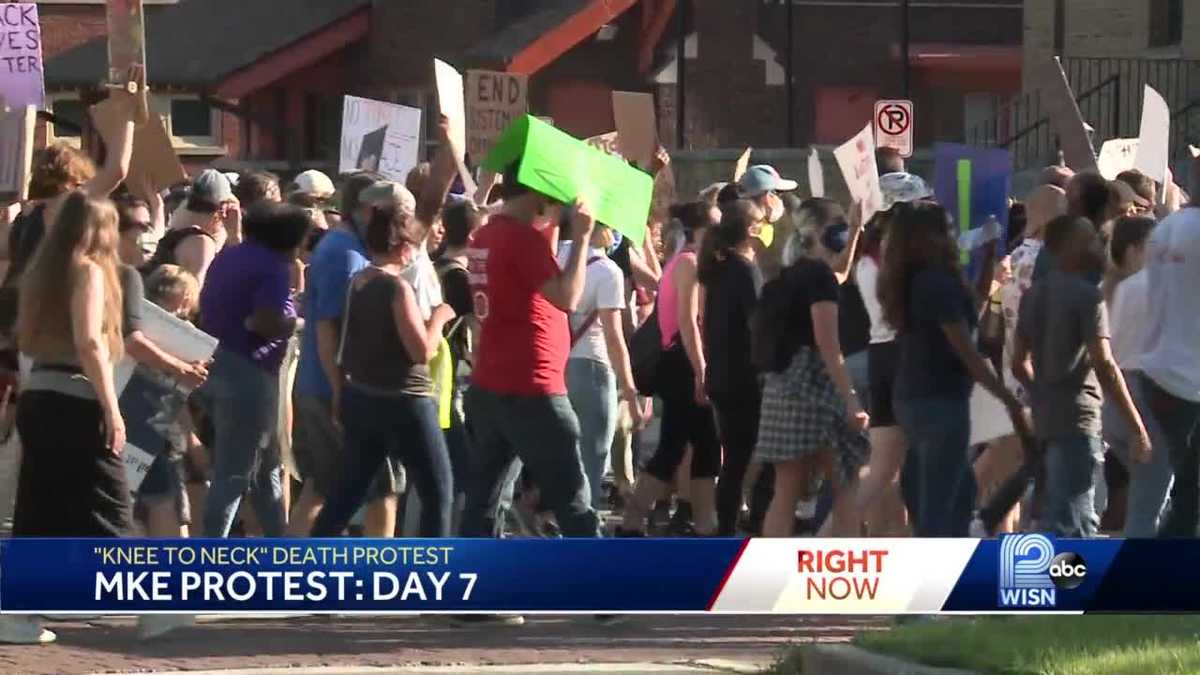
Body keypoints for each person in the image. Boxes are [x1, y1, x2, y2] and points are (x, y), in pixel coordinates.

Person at [461, 155, 604, 542]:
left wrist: (555, 223)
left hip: (491, 383)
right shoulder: (521, 240)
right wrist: (584, 236)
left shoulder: (487, 234)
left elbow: (529, 272)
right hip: (533, 388)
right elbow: (567, 297)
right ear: (537, 188)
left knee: (485, 501)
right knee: (573, 500)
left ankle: (471, 595)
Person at [7, 193, 126, 644]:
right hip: (76, 396)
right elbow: (91, 341)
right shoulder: (89, 270)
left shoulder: (41, 271)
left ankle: (18, 611)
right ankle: (143, 603)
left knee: (39, 507)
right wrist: (112, 407)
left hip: (40, 393)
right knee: (109, 500)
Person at [311, 190, 456, 538]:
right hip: (404, 400)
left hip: (363, 396)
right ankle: (433, 574)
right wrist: (440, 316)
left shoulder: (357, 281)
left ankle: (311, 556)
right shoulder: (395, 288)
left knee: (347, 493)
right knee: (439, 492)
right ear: (402, 247)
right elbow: (420, 351)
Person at [879, 201, 1028, 537]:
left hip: (914, 396)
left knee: (952, 492)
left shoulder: (916, 279)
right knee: (941, 499)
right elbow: (965, 348)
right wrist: (1006, 397)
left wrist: (989, 258)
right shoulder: (936, 282)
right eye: (946, 227)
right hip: (940, 400)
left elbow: (967, 313)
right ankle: (939, 570)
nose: (954, 233)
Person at [1012, 216, 1149, 538]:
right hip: (1079, 417)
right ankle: (1079, 587)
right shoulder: (1089, 297)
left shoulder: (1034, 294)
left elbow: (1019, 362)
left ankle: (1052, 584)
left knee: (1054, 514)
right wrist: (1137, 429)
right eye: (1089, 239)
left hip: (1048, 417)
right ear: (1066, 247)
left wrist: (1041, 392)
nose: (1097, 245)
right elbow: (1105, 365)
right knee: (1079, 517)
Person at [753, 198, 871, 537]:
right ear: (819, 231)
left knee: (786, 491)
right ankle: (847, 569)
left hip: (783, 388)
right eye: (837, 225)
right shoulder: (818, 278)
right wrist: (851, 401)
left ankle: (771, 574)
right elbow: (829, 345)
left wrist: (856, 229)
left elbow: (839, 274)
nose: (842, 231)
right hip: (815, 391)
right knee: (846, 485)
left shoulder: (789, 274)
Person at [197, 202, 311, 538]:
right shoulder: (273, 268)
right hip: (249, 374)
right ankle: (207, 559)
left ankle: (280, 549)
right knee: (234, 472)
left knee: (266, 468)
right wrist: (299, 322)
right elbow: (266, 322)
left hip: (219, 364)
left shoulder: (229, 256)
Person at [618, 201, 721, 537]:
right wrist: (701, 369)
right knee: (677, 446)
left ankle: (705, 522)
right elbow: (687, 323)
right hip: (683, 362)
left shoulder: (683, 261)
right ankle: (635, 521)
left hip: (680, 360)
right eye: (717, 225)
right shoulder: (689, 263)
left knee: (697, 444)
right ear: (701, 230)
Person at [853, 174, 934, 538]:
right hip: (902, 356)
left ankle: (888, 542)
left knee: (887, 467)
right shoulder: (893, 257)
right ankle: (833, 533)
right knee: (890, 467)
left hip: (881, 354)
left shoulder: (872, 254)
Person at [1134, 162, 1200, 537]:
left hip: (1159, 371)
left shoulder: (1166, 228)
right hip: (1187, 380)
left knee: (1184, 493)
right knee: (1189, 497)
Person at [560, 221, 643, 511]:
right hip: (594, 367)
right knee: (593, 459)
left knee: (566, 456)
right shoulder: (609, 271)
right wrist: (630, 391)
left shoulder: (559, 255)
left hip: (558, 364)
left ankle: (563, 521)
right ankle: (584, 530)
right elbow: (613, 336)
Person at [697, 200, 764, 535]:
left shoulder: (719, 269)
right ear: (752, 230)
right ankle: (754, 525)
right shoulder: (744, 270)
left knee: (735, 457)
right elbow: (757, 323)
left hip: (723, 372)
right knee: (756, 457)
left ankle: (726, 527)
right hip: (744, 377)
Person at [1104, 216, 1173, 537]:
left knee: (1148, 496)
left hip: (1116, 400)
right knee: (1147, 508)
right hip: (1148, 401)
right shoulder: (1164, 286)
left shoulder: (1124, 288)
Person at [144, 170, 238, 286]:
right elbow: (196, 294)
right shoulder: (201, 243)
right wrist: (235, 235)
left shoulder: (179, 229)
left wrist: (157, 206)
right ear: (222, 210)